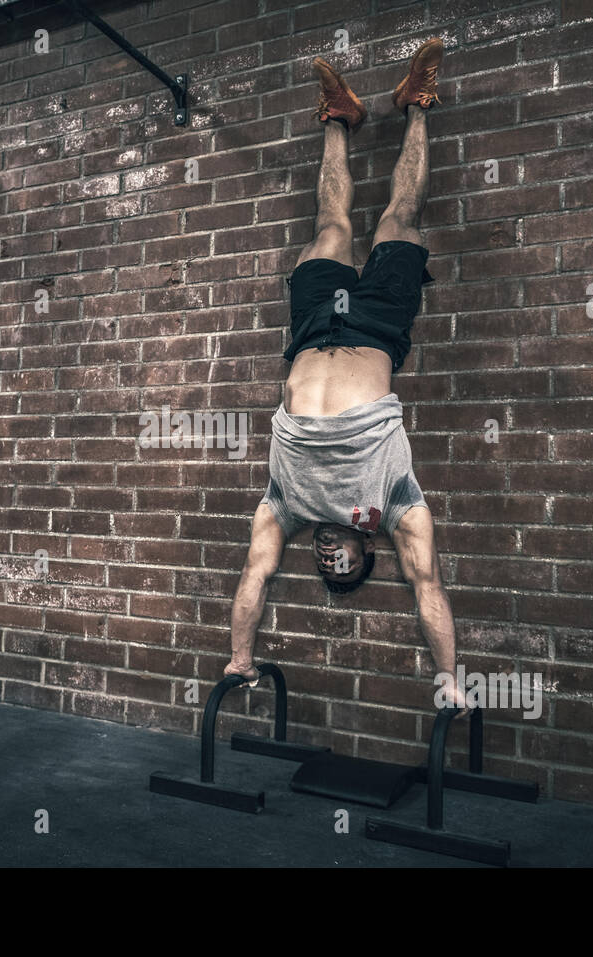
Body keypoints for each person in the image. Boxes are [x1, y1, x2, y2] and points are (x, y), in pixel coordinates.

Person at [223, 38, 468, 712]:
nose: (332, 548)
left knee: (330, 229)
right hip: (376, 331)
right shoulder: (397, 507)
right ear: (366, 550)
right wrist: (449, 680)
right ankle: (417, 107)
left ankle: (338, 119)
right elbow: (428, 589)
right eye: (345, 559)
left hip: (311, 333)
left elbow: (254, 575)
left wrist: (241, 657)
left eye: (323, 556)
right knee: (398, 221)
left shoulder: (285, 507)